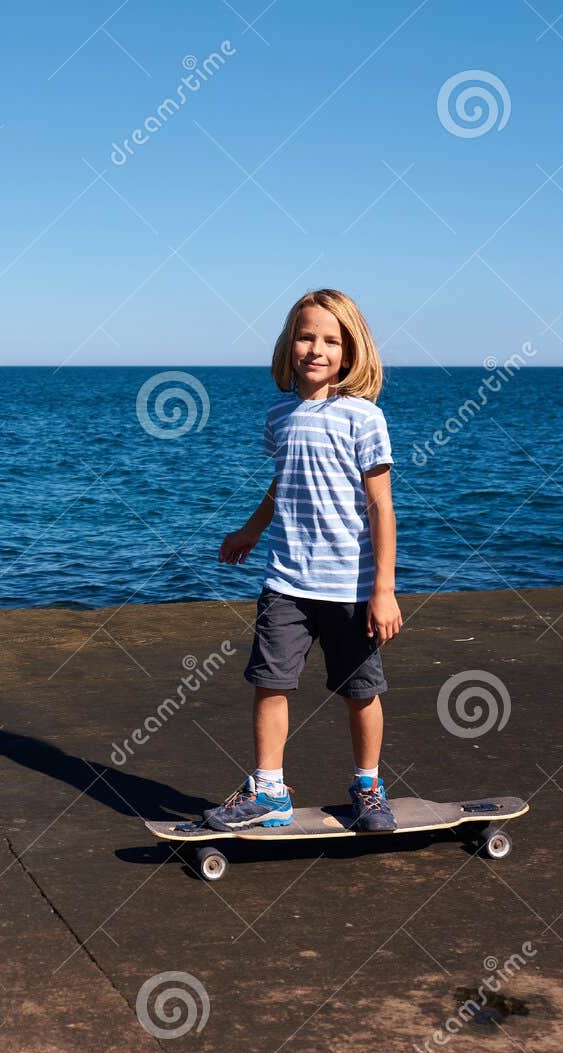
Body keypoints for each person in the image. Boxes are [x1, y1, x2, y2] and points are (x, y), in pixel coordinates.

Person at [205, 288, 403, 833]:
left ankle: (368, 788)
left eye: (331, 340)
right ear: (289, 344)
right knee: (269, 683)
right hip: (286, 582)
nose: (317, 348)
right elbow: (284, 482)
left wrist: (383, 589)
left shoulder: (363, 417)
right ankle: (269, 790)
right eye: (306, 336)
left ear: (350, 351)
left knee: (361, 693)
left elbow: (381, 505)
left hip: (352, 588)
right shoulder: (280, 416)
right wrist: (251, 528)